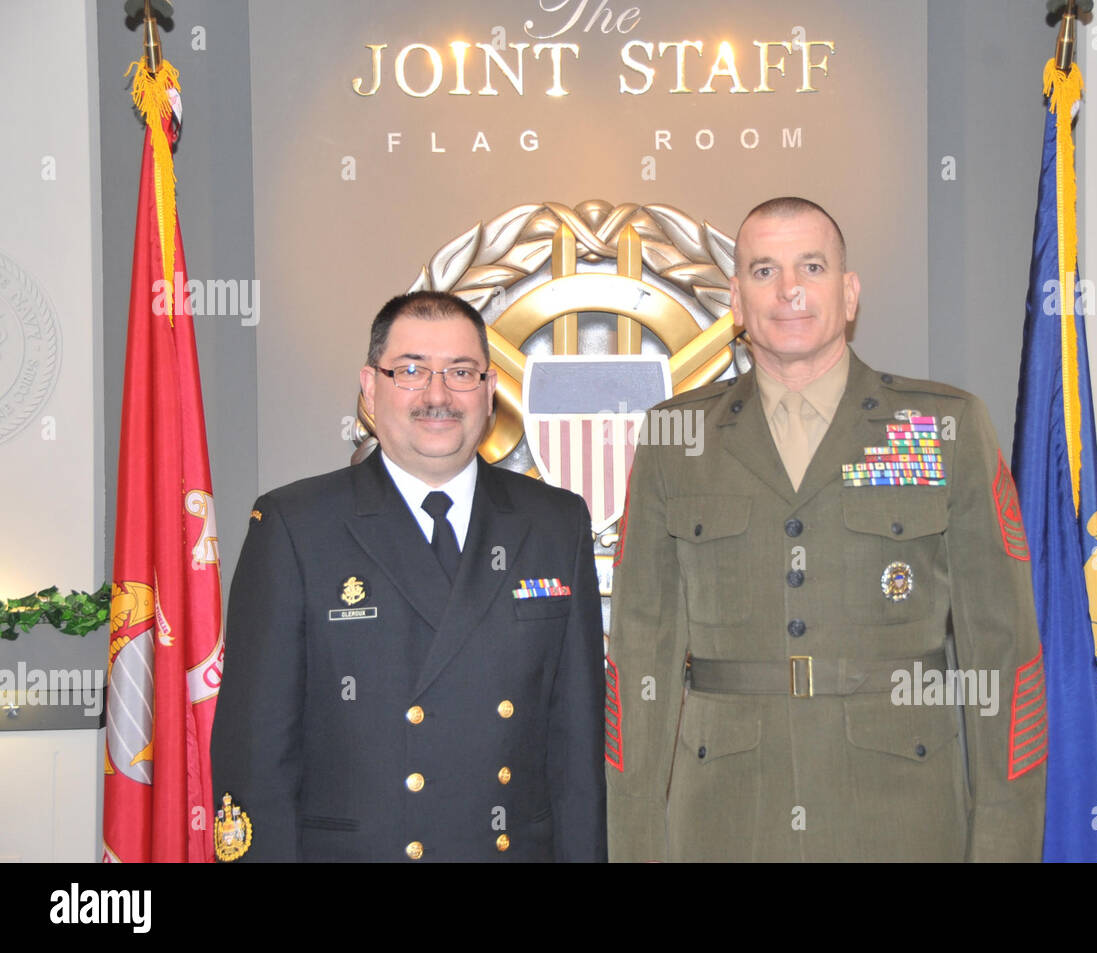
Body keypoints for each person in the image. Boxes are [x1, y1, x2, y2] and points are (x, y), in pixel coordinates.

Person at [605, 197, 1046, 861]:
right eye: (763, 270)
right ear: (736, 300)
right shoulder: (676, 437)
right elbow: (639, 655)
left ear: (848, 293)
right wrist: (636, 845)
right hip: (725, 819)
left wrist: (1002, 847)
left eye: (812, 266)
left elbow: (1004, 653)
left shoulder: (939, 426)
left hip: (902, 817)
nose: (789, 290)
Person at [211, 290, 606, 862]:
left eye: (462, 372)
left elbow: (577, 749)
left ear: (490, 391)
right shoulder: (296, 526)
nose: (438, 395)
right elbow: (256, 752)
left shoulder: (555, 522)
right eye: (412, 370)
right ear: (370, 388)